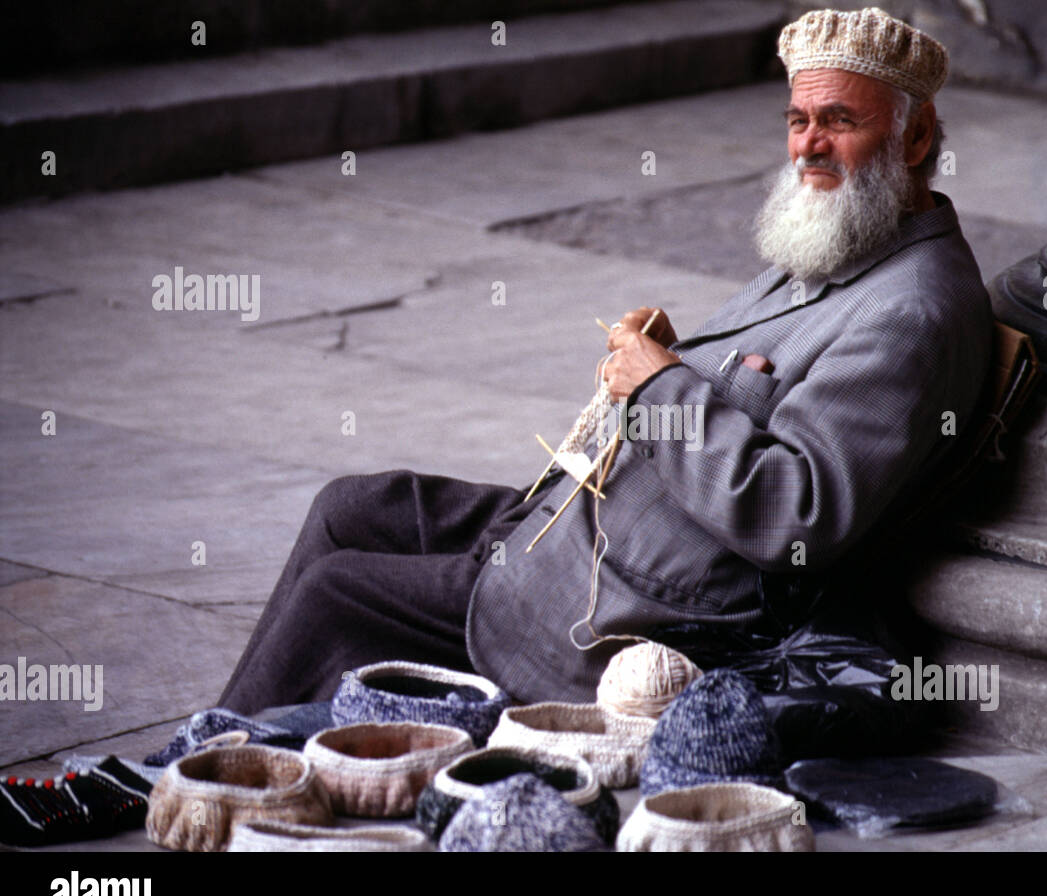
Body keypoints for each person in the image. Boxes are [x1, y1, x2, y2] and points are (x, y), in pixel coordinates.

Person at [218, 6, 991, 713]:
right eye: (797, 120)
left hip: (626, 602)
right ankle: (245, 735)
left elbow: (797, 515)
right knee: (351, 504)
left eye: (838, 121)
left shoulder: (909, 312)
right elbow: (759, 388)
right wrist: (678, 355)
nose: (808, 146)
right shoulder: (855, 235)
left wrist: (659, 385)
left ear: (915, 137)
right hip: (586, 528)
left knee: (336, 593)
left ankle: (198, 767)